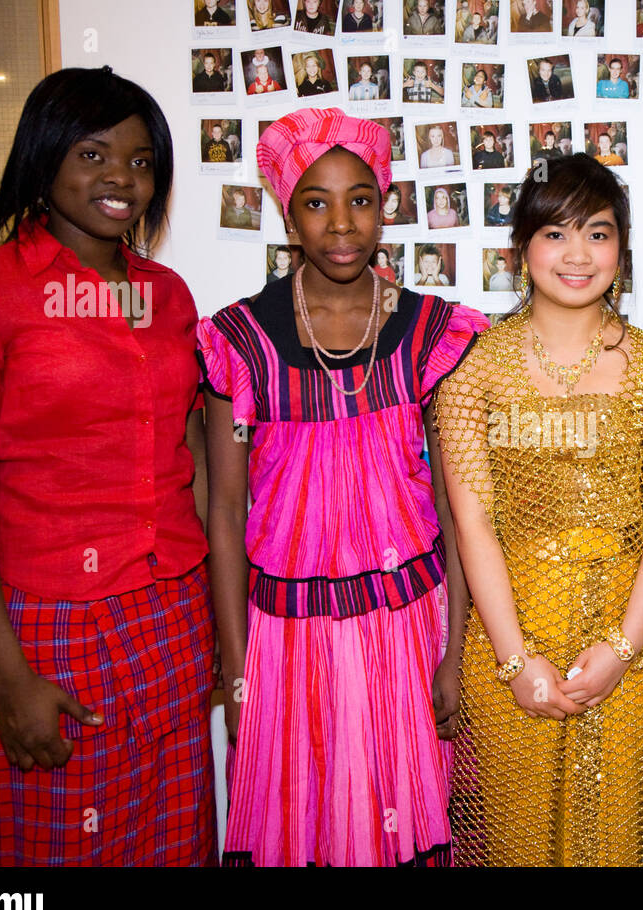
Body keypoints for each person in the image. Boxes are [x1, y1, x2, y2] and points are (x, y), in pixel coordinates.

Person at [0, 66, 215, 866]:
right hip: (55, 627)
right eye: (93, 153)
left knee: (178, 837)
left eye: (142, 160)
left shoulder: (170, 296)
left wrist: (219, 618)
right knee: (68, 848)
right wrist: (6, 674)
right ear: (43, 161)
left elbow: (191, 458)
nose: (122, 177)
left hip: (176, 610)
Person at [204, 108, 487, 867]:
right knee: (301, 827)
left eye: (361, 199)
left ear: (385, 206)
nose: (341, 223)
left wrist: (455, 650)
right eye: (316, 201)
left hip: (406, 632)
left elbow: (462, 510)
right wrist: (236, 674)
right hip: (283, 640)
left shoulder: (431, 334)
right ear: (287, 212)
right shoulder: (239, 340)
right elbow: (224, 512)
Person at [437, 153, 643, 866]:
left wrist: (621, 649)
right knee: (520, 842)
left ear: (623, 250)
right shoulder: (473, 370)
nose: (578, 254)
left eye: (599, 233)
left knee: (610, 842)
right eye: (556, 234)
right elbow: (474, 525)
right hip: (509, 635)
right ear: (522, 248)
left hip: (627, 630)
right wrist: (517, 660)